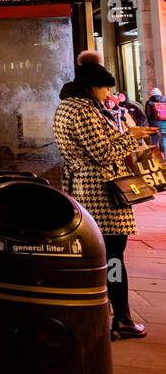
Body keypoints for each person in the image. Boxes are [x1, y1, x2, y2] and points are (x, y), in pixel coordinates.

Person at [53, 57, 154, 339]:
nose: (108, 95)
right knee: (112, 256)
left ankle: (108, 312)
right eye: (105, 89)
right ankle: (120, 318)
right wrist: (130, 136)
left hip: (87, 188)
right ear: (92, 87)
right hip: (101, 191)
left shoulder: (69, 107)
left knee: (106, 255)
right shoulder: (82, 111)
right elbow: (102, 153)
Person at [146, 87, 166, 152]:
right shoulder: (165, 99)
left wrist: (149, 122)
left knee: (154, 141)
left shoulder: (149, 102)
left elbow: (148, 114)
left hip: (154, 124)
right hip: (164, 123)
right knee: (164, 140)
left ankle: (157, 158)